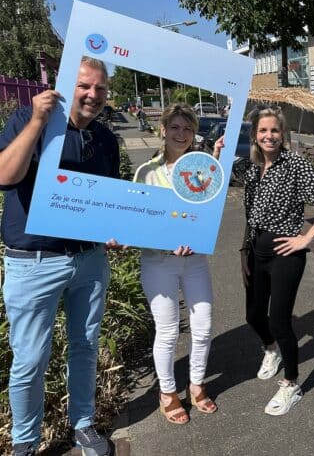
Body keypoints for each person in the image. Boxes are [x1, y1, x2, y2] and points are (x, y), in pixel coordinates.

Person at [0, 57, 121, 456]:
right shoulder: (27, 120)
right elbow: (5, 176)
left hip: (89, 260)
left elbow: (109, 202)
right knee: (30, 360)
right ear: (67, 84)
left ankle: (83, 425)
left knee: (85, 347)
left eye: (100, 88)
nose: (92, 94)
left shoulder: (105, 139)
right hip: (33, 262)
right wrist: (38, 121)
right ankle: (24, 443)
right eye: (84, 85)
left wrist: (115, 232)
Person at [237, 107, 314, 416]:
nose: (269, 136)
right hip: (256, 251)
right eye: (263, 130)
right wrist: (244, 251)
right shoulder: (253, 167)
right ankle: (271, 349)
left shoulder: (295, 164)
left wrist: (306, 239)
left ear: (283, 134)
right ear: (254, 134)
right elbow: (224, 189)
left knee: (279, 320)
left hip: (286, 253)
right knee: (253, 316)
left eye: (274, 130)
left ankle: (291, 384)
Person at [133, 103, 221, 424]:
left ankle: (196, 385)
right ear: (163, 130)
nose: (181, 134)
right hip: (159, 262)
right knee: (168, 331)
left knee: (204, 325)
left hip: (195, 260)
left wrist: (219, 159)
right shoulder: (147, 172)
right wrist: (166, 241)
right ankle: (167, 393)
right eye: (175, 127)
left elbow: (209, 211)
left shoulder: (202, 167)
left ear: (194, 133)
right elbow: (138, 218)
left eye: (187, 129)